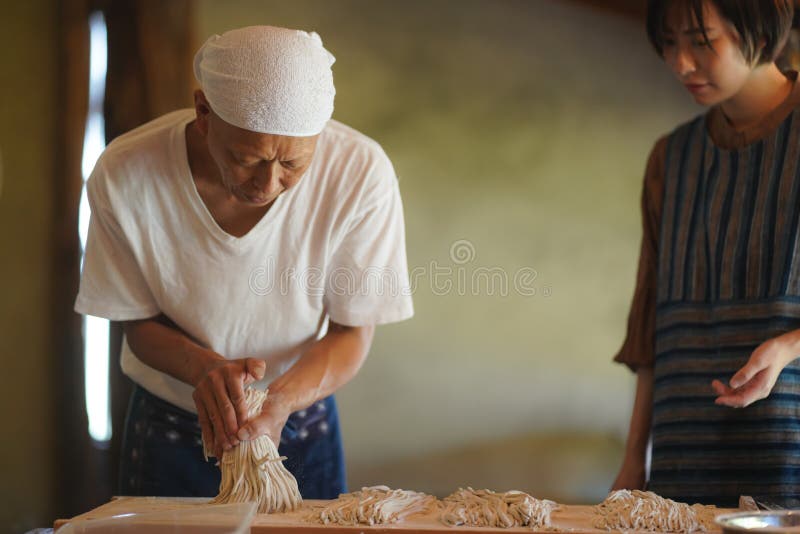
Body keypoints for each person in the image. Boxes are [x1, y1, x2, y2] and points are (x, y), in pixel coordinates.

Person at [74, 25, 414, 499]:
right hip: (170, 423)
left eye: (293, 165)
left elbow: (352, 331)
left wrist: (277, 403)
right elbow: (136, 323)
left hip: (299, 416)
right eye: (246, 158)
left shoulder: (359, 173)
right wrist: (203, 369)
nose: (268, 183)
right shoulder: (127, 173)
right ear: (203, 112)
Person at [612, 0, 800, 507]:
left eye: (701, 40)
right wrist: (634, 458)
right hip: (681, 461)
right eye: (670, 43)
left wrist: (787, 347)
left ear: (759, 27)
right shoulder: (669, 160)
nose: (681, 63)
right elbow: (651, 324)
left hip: (787, 458)